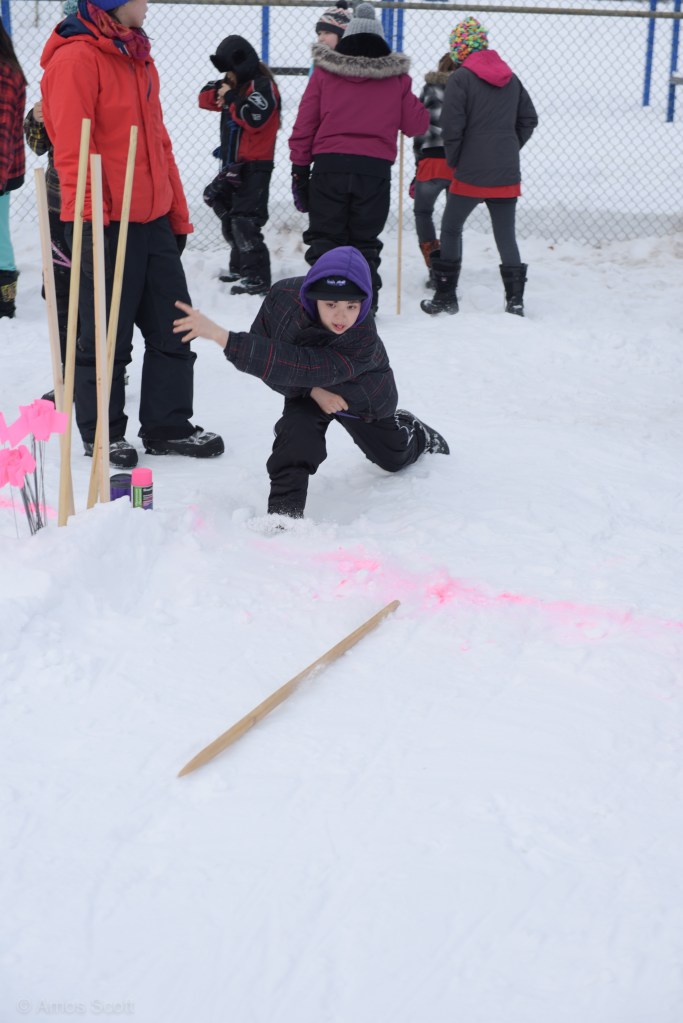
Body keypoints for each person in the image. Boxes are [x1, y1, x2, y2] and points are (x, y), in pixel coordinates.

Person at [40, 0, 224, 469]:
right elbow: (71, 147)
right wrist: (86, 223)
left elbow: (159, 143)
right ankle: (101, 431)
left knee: (174, 324)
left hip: (152, 220)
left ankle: (168, 425)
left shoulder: (138, 55)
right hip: (101, 221)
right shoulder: (77, 58)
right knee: (105, 333)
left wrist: (177, 213)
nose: (147, 4)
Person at [173, 246, 449, 520]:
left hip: (360, 393)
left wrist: (222, 336)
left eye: (351, 306)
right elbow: (272, 363)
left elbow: (303, 364)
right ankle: (284, 515)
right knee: (296, 435)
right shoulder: (282, 299)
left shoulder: (362, 336)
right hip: (306, 387)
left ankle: (417, 432)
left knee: (393, 459)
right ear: (313, 296)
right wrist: (311, 391)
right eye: (331, 305)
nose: (341, 317)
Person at [289, 2, 428, 315]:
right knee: (363, 243)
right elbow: (418, 125)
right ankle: (363, 311)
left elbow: (304, 125)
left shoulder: (325, 73)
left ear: (347, 37)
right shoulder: (396, 80)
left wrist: (299, 169)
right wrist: (403, 86)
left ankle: (321, 307)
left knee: (325, 239)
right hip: (373, 172)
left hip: (329, 168)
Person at [422, 17, 538, 317]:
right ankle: (515, 301)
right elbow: (529, 119)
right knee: (505, 235)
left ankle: (446, 296)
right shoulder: (511, 77)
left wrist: (457, 158)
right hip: (505, 171)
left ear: (460, 51)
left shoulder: (461, 78)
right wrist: (510, 147)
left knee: (450, 228)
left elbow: (451, 126)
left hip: (470, 172)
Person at [199, 35, 281, 296]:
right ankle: (240, 267)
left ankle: (257, 276)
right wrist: (223, 91)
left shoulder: (262, 86)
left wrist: (232, 97)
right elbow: (204, 98)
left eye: (230, 72)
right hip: (232, 165)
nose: (228, 77)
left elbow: (254, 117)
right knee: (226, 210)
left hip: (255, 165)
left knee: (245, 220)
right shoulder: (235, 88)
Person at [411, 52, 455, 288]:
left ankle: (433, 267)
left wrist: (417, 164)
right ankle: (449, 271)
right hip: (459, 163)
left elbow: (420, 127)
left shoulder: (430, 88)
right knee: (452, 223)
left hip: (431, 160)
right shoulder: (471, 88)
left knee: (423, 213)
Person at [0, 15, 26, 320]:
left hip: (3, 171)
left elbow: (3, 132)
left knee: (0, 237)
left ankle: (5, 301)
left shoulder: (4, 73)